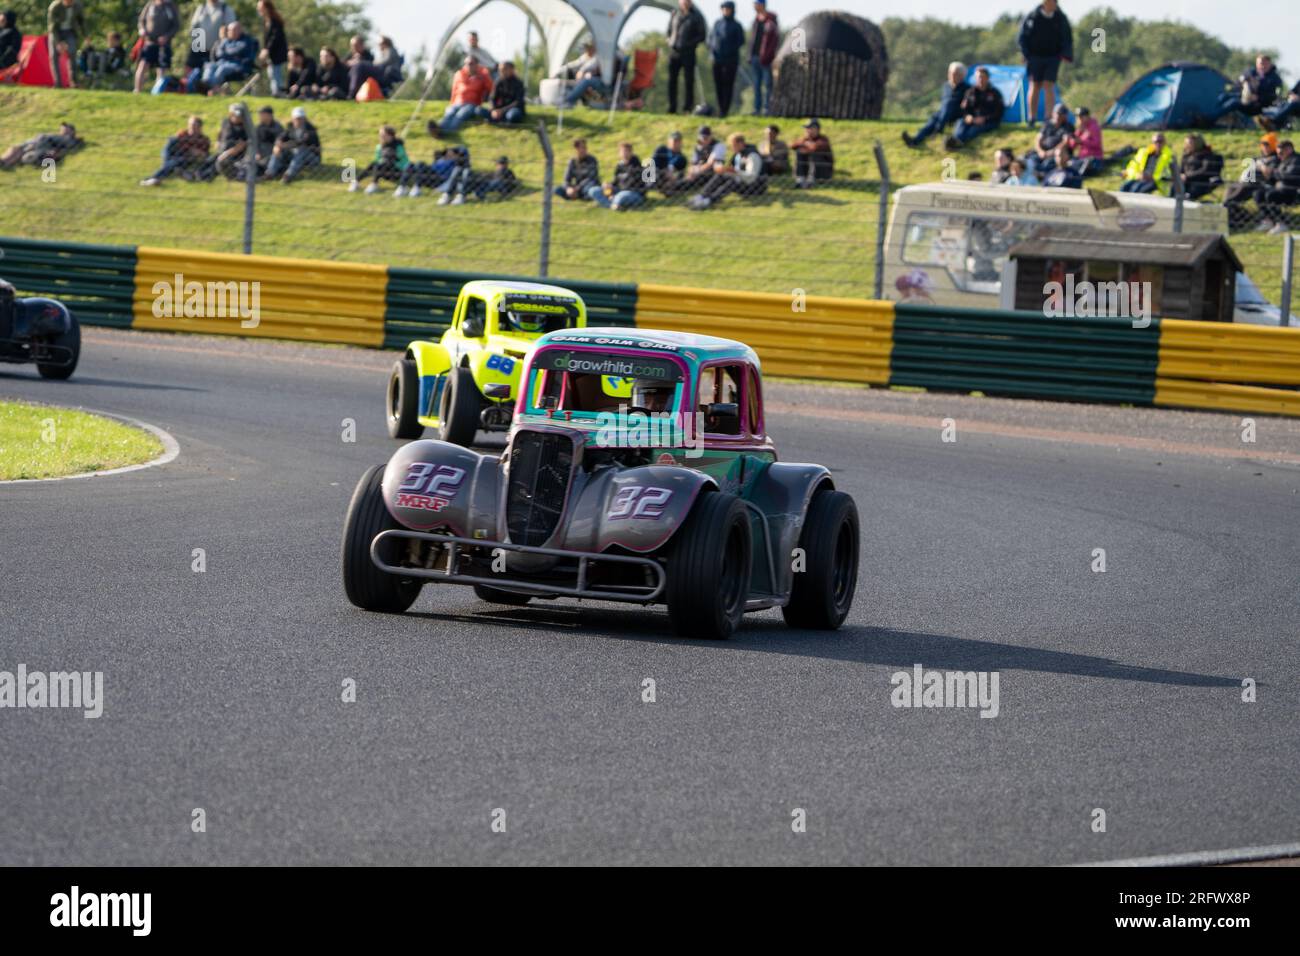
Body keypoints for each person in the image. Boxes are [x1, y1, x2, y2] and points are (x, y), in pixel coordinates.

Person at [1017, 0, 1072, 124]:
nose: (1054, 4)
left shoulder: (1060, 18)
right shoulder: (1032, 16)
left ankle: (1048, 118)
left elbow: (1067, 37)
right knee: (1035, 85)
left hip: (1053, 57)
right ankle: (1032, 117)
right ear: (1045, 2)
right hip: (1034, 57)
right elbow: (1022, 37)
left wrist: (1065, 54)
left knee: (1049, 86)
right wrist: (1025, 54)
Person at [689, 132, 766, 209]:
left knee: (732, 182)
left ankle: (709, 200)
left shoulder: (752, 155)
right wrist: (724, 170)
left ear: (741, 143)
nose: (732, 148)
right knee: (721, 175)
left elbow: (751, 177)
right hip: (741, 181)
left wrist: (733, 171)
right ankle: (702, 196)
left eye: (733, 145)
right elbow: (732, 169)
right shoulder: (738, 154)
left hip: (755, 186)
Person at [902, 62, 969, 147]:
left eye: (955, 74)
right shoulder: (946, 86)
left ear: (961, 76)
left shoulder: (967, 88)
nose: (951, 76)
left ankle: (939, 130)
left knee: (949, 105)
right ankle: (915, 140)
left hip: (957, 114)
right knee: (933, 118)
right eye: (950, 73)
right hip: (943, 113)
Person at [140, 115, 209, 186]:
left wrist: (199, 153)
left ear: (200, 127)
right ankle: (171, 170)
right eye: (190, 125)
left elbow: (205, 155)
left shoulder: (203, 140)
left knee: (173, 163)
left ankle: (151, 179)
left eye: (194, 125)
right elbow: (171, 146)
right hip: (174, 154)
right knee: (172, 140)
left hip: (186, 158)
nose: (191, 127)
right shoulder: (183, 134)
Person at [1214, 55, 1284, 124]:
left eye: (1264, 64)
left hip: (1258, 106)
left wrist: (1258, 98)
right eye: (1260, 63)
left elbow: (1275, 96)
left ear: (1269, 64)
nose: (1262, 66)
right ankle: (1212, 114)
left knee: (1233, 102)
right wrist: (1243, 81)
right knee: (1224, 96)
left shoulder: (1274, 78)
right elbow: (1237, 84)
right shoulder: (1251, 72)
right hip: (1243, 97)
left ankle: (1212, 118)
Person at [946, 67, 1004, 148]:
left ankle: (959, 142)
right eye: (978, 77)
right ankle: (955, 140)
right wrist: (967, 116)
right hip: (973, 119)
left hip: (989, 121)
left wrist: (984, 119)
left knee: (974, 129)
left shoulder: (995, 93)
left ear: (987, 78)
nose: (980, 79)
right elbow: (964, 109)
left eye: (982, 77)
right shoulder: (970, 92)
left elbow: (999, 112)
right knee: (961, 122)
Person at [666, 0, 706, 115]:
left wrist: (690, 44)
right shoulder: (674, 14)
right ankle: (672, 107)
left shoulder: (697, 16)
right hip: (674, 52)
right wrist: (669, 41)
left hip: (688, 52)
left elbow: (702, 35)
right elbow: (669, 31)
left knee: (689, 81)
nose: (685, 2)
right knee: (672, 81)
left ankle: (687, 108)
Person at [437, 55, 493, 134]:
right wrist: (452, 103)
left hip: (471, 104)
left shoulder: (482, 76)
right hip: (457, 103)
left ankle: (445, 132)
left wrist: (484, 74)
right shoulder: (459, 74)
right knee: (450, 112)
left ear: (477, 65)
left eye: (471, 63)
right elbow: (454, 91)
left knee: (460, 115)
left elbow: (491, 89)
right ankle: (439, 128)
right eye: (466, 64)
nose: (468, 66)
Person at [264, 106, 320, 183]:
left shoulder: (310, 130)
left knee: (302, 149)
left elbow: (300, 143)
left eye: (300, 118)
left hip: (312, 158)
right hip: (296, 155)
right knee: (278, 149)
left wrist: (283, 146)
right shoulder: (290, 127)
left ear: (304, 118)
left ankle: (288, 175)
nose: (299, 121)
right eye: (296, 118)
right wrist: (277, 145)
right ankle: (270, 173)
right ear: (293, 119)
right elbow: (281, 137)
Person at [135, 0, 180, 94]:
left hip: (164, 44)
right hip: (149, 42)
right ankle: (137, 90)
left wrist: (167, 36)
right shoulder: (150, 5)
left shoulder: (170, 6)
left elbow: (176, 25)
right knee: (143, 65)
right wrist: (142, 29)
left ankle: (157, 91)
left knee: (161, 68)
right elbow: (141, 20)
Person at [708, 2, 744, 118]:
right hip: (717, 59)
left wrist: (728, 50)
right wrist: (713, 50)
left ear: (732, 10)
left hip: (730, 60)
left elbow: (740, 41)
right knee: (718, 84)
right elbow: (711, 38)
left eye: (727, 9)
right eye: (723, 9)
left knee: (728, 85)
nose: (725, 11)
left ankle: (725, 109)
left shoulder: (737, 25)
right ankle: (720, 108)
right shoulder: (717, 24)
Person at [588, 142, 648, 210]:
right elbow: (616, 181)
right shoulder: (619, 166)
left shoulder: (636, 165)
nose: (624, 153)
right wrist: (609, 185)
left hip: (634, 193)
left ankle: (611, 203)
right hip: (619, 191)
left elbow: (632, 185)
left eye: (626, 151)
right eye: (622, 151)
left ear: (631, 152)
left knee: (621, 196)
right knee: (593, 190)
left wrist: (614, 194)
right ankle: (613, 205)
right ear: (619, 153)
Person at [351, 124, 409, 194]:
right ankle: (356, 181)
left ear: (390, 136)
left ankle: (374, 184)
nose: (381, 137)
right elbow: (377, 160)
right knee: (374, 164)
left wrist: (392, 154)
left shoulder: (399, 147)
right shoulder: (379, 147)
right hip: (384, 171)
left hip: (397, 173)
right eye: (380, 135)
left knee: (386, 162)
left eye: (383, 135)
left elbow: (404, 162)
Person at [202, 19, 258, 91]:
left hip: (239, 65)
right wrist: (230, 53)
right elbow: (219, 53)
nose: (230, 32)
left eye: (233, 30)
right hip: (222, 62)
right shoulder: (226, 40)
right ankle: (205, 83)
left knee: (222, 69)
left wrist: (227, 53)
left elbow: (237, 50)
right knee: (210, 65)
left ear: (240, 30)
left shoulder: (246, 40)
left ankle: (209, 88)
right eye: (229, 30)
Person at [1257, 139, 1299, 234]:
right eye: (1277, 153)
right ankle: (1269, 220)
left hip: (1292, 191)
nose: (1278, 155)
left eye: (1281, 153)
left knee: (1270, 195)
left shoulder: (1296, 160)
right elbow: (1278, 176)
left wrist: (1272, 172)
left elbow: (1289, 176)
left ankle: (1282, 223)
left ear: (1289, 149)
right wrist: (1266, 173)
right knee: (1258, 193)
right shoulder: (1283, 159)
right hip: (1280, 187)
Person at [0, 122, 81, 169]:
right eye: (62, 128)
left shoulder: (68, 139)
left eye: (66, 128)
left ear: (72, 131)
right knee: (15, 148)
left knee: (21, 152)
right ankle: (3, 161)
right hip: (32, 143)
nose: (62, 130)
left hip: (42, 147)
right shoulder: (57, 136)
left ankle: (6, 164)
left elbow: (69, 146)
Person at [1024, 102, 1073, 177]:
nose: (1058, 116)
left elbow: (1065, 142)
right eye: (1057, 113)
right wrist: (1040, 151)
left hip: (1056, 154)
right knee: (1030, 160)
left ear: (1065, 116)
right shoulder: (1047, 124)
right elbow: (1038, 139)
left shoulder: (1068, 126)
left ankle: (1043, 177)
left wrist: (1051, 152)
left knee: (1048, 163)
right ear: (1053, 113)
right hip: (1042, 152)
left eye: (1061, 114)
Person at [188, 0, 236, 73]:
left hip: (216, 51)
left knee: (210, 77)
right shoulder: (201, 8)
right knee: (190, 74)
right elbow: (193, 27)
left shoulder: (225, 9)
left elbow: (232, 31)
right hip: (199, 48)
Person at [749, 0, 778, 116]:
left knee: (768, 84)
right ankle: (757, 108)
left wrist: (768, 56)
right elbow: (752, 40)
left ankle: (768, 108)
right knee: (756, 85)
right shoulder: (756, 20)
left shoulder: (771, 20)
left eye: (756, 4)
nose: (754, 6)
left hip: (766, 59)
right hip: (755, 57)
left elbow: (774, 41)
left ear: (762, 5)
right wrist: (750, 55)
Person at [46, 0, 84, 87]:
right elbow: (52, 27)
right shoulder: (54, 7)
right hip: (56, 31)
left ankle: (74, 82)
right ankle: (58, 83)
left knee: (72, 52)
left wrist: (85, 35)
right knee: (54, 56)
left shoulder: (77, 6)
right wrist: (58, 42)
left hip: (70, 31)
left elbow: (81, 21)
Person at [561, 42, 606, 107]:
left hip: (602, 81)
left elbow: (591, 65)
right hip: (589, 79)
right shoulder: (584, 57)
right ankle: (578, 101)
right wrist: (560, 69)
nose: (587, 50)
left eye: (589, 48)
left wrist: (582, 71)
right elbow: (574, 64)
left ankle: (567, 101)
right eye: (586, 48)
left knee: (586, 81)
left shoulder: (597, 56)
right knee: (572, 75)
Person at [256, 1, 287, 96]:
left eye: (260, 7)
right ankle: (276, 92)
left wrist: (267, 50)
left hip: (277, 54)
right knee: (272, 74)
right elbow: (267, 39)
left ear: (267, 8)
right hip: (272, 54)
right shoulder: (266, 21)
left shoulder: (275, 21)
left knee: (276, 74)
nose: (259, 10)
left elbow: (275, 37)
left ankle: (279, 93)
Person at [791, 118, 833, 187]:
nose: (807, 130)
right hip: (807, 168)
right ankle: (801, 179)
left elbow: (815, 148)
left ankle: (811, 181)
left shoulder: (823, 139)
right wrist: (805, 141)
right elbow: (793, 146)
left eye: (809, 128)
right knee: (800, 153)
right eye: (806, 128)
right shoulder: (805, 139)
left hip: (823, 171)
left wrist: (804, 144)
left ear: (816, 129)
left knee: (815, 155)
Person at [1180, 134, 1223, 200]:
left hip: (1201, 182)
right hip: (1185, 182)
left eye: (1190, 143)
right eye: (1186, 143)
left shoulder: (1207, 155)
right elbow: (1181, 170)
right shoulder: (1186, 155)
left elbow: (1205, 170)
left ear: (1197, 143)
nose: (1187, 145)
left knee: (1190, 193)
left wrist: (1187, 177)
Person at [684, 124, 727, 190]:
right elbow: (693, 163)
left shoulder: (719, 145)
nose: (704, 140)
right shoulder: (698, 147)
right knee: (686, 180)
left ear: (711, 136)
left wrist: (696, 171)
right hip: (700, 173)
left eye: (706, 137)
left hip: (713, 174)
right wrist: (691, 171)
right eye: (702, 138)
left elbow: (710, 164)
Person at [1067, 105, 1103, 175]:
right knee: (1068, 162)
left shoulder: (1094, 127)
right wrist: (1074, 138)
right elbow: (1072, 146)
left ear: (1087, 116)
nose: (1079, 119)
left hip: (1094, 158)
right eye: (1077, 117)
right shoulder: (1080, 128)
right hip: (1082, 158)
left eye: (1081, 116)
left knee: (1074, 165)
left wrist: (1082, 141)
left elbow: (1096, 144)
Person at [487, 60, 525, 124]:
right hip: (499, 109)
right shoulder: (498, 82)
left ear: (511, 69)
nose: (501, 71)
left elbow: (518, 101)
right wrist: (493, 109)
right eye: (500, 70)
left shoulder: (518, 83)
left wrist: (502, 111)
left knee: (513, 115)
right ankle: (500, 119)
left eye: (504, 69)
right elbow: (492, 98)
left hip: (512, 109)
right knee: (479, 110)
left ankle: (500, 119)